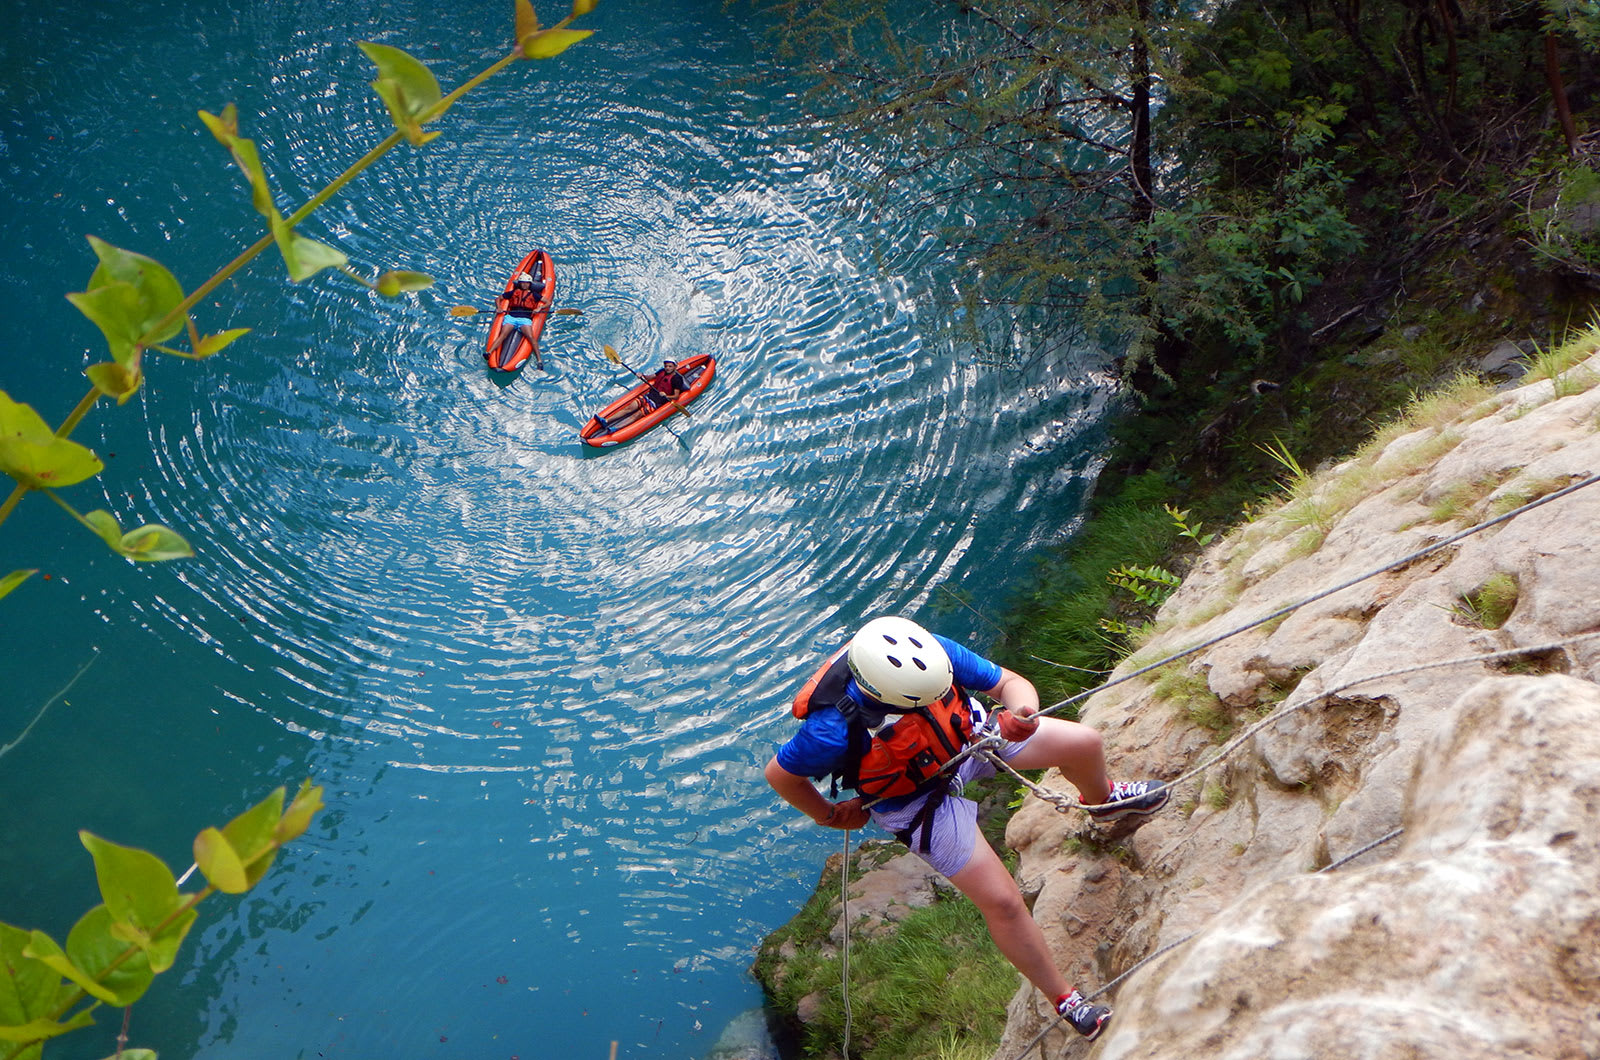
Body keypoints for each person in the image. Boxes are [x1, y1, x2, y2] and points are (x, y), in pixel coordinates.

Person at [763, 616, 1170, 1041]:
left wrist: (1021, 714)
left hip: (971, 739)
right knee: (1003, 901)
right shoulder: (828, 731)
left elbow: (1007, 683)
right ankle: (1065, 999)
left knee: (1084, 744)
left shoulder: (927, 653)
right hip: (912, 800)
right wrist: (829, 814)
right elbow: (781, 775)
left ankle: (1102, 802)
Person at [593, 359, 691, 434]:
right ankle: (606, 420)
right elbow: (650, 377)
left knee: (637, 415)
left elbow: (676, 396)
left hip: (657, 403)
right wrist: (642, 375)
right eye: (666, 366)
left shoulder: (677, 379)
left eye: (670, 366)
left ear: (675, 367)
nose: (667, 368)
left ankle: (616, 429)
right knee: (629, 407)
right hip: (648, 396)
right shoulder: (662, 371)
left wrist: (666, 396)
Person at [494, 269, 547, 369]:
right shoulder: (514, 292)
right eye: (522, 283)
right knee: (503, 335)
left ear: (529, 284)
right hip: (512, 317)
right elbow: (498, 298)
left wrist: (539, 308)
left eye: (526, 283)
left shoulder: (534, 295)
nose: (524, 285)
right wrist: (499, 308)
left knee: (531, 338)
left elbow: (547, 302)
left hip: (525, 319)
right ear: (520, 284)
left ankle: (539, 360)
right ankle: (489, 353)